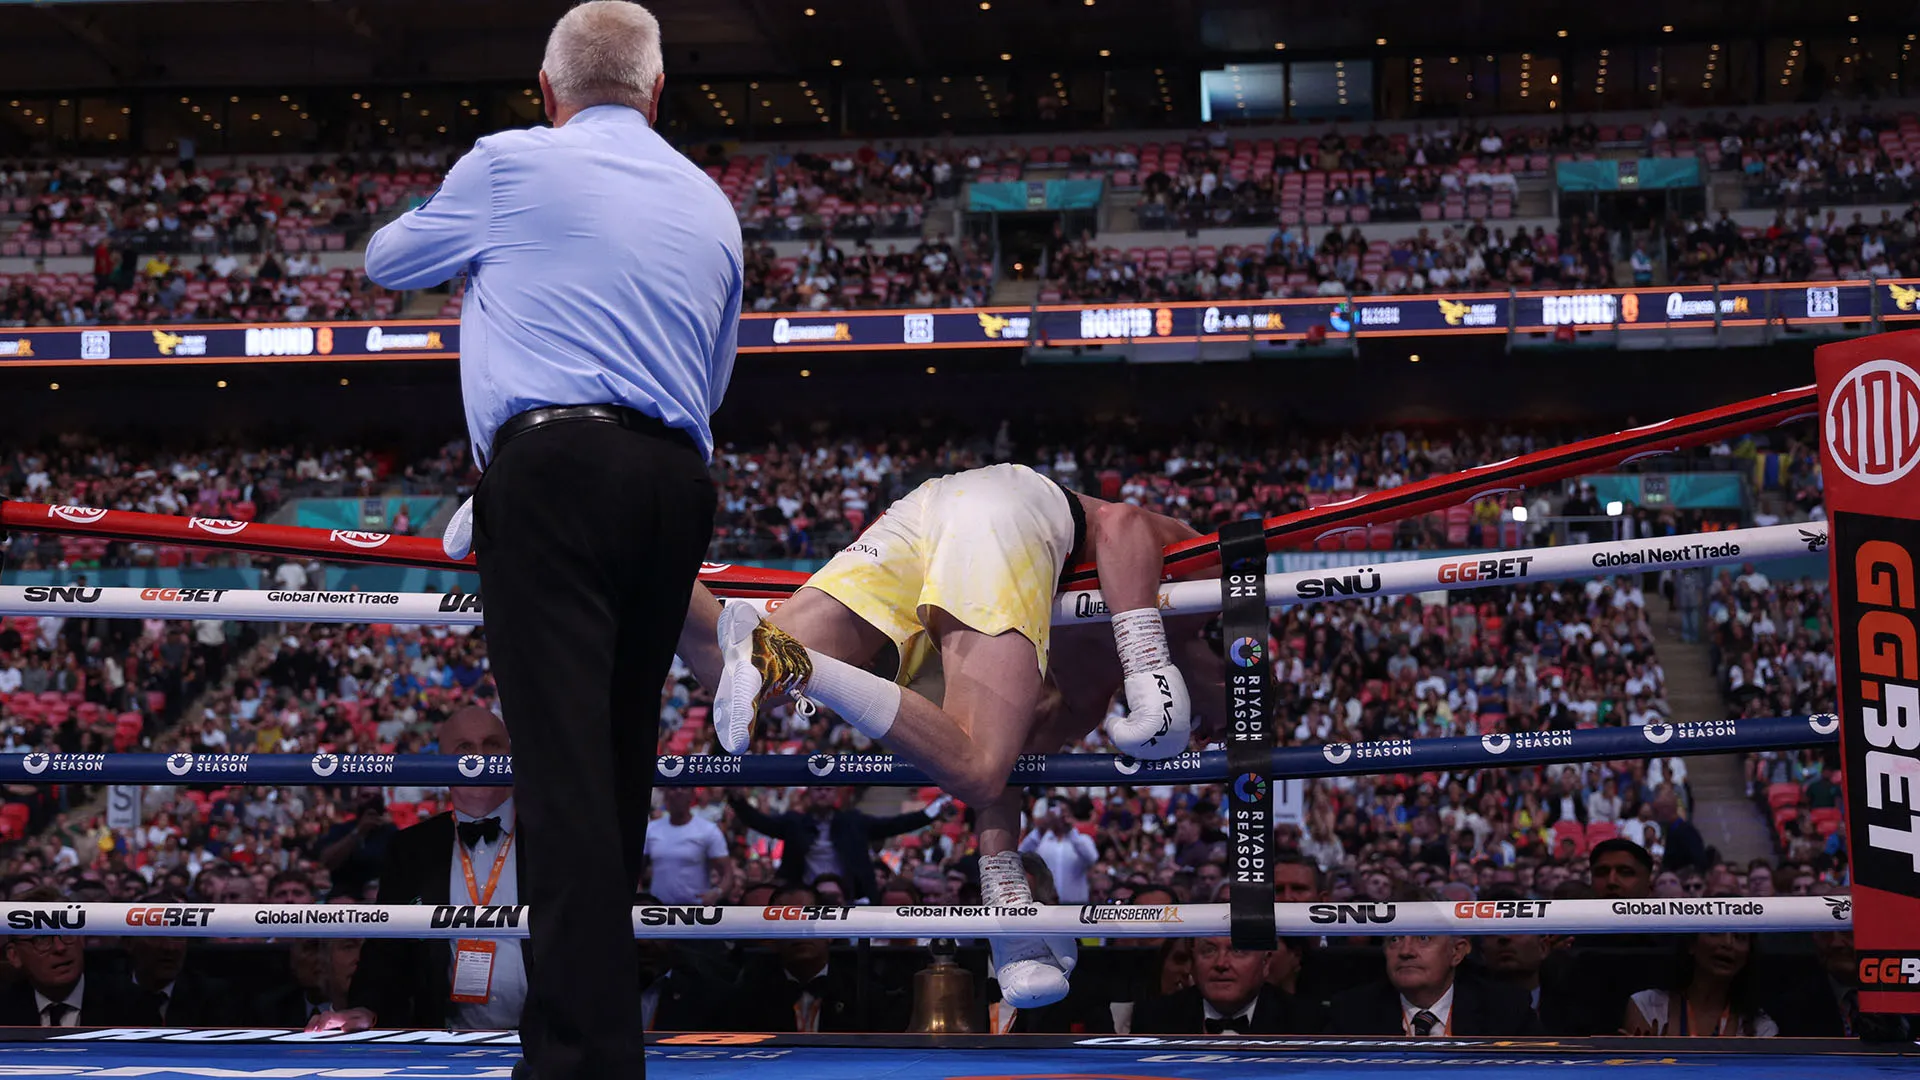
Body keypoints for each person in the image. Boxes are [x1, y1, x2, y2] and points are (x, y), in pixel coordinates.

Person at [361, 3, 742, 1076]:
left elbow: (389, 260)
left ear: (546, 90)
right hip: (674, 483)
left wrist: (490, 253)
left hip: (554, 474)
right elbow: (712, 381)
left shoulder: (509, 162)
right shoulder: (711, 200)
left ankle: (580, 1058)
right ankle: (593, 1041)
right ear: (656, 91)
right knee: (616, 771)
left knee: (567, 776)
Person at [706, 464, 1221, 1006]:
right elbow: (1124, 522)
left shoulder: (1081, 701)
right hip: (1006, 511)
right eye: (1225, 720)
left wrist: (1008, 902)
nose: (1210, 735)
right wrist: (1146, 662)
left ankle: (688, 585)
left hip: (927, 511)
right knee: (976, 766)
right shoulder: (1197, 605)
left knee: (747, 673)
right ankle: (808, 667)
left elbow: (1007, 771)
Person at [310, 706, 525, 1032]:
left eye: (492, 745)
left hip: (553, 1039)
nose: (479, 759)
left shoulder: (555, 838)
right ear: (441, 764)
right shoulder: (412, 848)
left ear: (511, 755)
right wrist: (367, 1009)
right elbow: (387, 947)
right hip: (447, 1039)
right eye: (464, 749)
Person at [726, 788, 945, 903]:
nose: (823, 792)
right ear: (809, 793)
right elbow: (759, 822)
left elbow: (895, 825)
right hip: (805, 899)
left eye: (828, 788)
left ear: (836, 794)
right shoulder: (794, 823)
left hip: (851, 898)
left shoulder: (853, 822)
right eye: (818, 788)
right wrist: (737, 800)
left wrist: (930, 813)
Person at [1325, 930, 1541, 1037]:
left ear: (1456, 952)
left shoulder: (1505, 1009)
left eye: (1423, 938)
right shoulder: (1352, 1012)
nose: (1406, 951)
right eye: (1395, 939)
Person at [0, 886, 151, 1027]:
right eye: (42, 939)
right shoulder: (5, 1010)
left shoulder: (133, 1004)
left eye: (67, 931)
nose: (60, 947)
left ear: (81, 938)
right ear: (14, 955)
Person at [1130, 936, 1322, 1034]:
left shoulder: (1308, 1023)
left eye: (1237, 951)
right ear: (1193, 961)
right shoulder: (1153, 1019)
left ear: (1265, 963)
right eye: (1209, 950)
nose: (1221, 963)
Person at [1623, 933, 1777, 1037]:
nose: (1728, 943)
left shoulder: (1761, 1029)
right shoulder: (1646, 1006)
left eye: (1739, 937)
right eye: (1716, 932)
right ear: (1692, 944)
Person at [644, 787, 734, 905]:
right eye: (673, 789)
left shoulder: (708, 830)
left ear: (692, 796)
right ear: (666, 796)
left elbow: (727, 873)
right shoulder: (651, 829)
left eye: (684, 788)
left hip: (694, 909)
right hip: (658, 909)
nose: (678, 791)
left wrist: (717, 892)